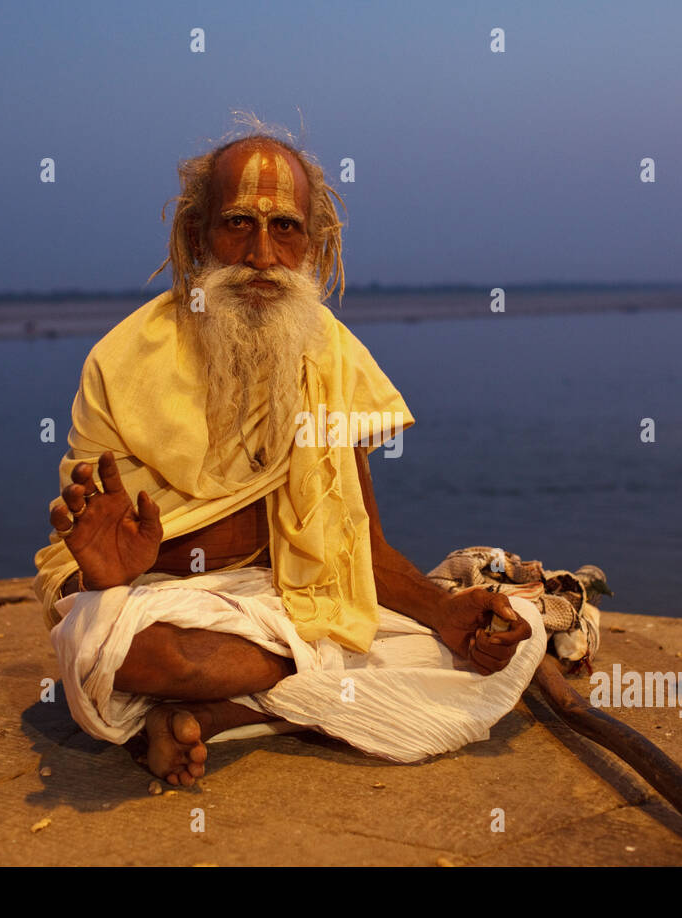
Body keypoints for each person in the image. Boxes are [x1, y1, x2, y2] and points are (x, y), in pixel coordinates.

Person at [33, 119, 547, 786]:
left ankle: (215, 715)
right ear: (198, 236)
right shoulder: (120, 361)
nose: (262, 255)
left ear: (314, 245)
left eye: (285, 229)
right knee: (126, 652)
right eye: (238, 224)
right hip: (165, 605)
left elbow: (360, 546)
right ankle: (271, 693)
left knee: (521, 631)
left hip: (293, 607)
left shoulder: (330, 354)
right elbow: (73, 569)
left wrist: (442, 610)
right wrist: (110, 575)